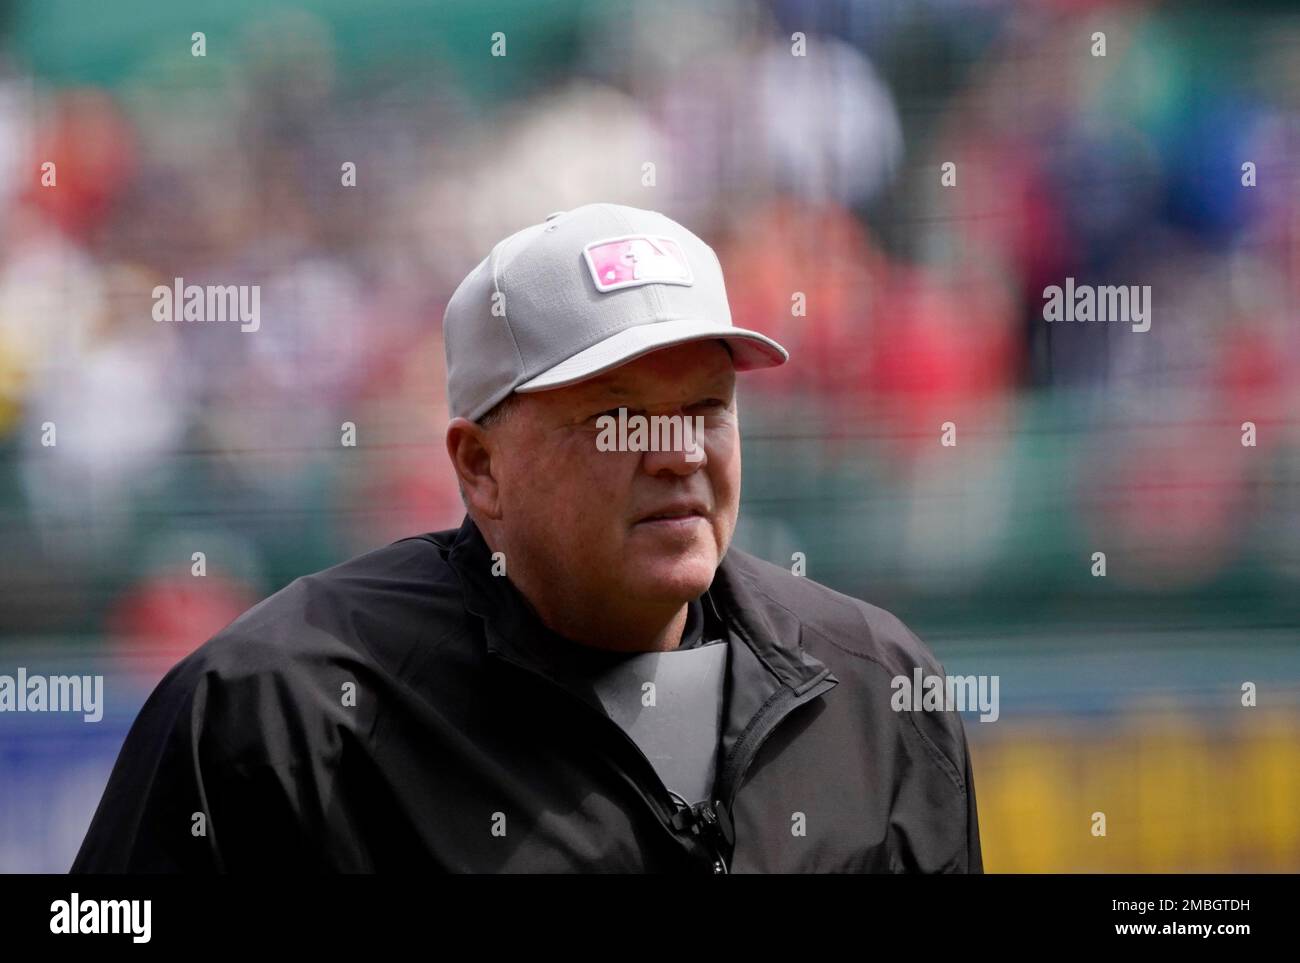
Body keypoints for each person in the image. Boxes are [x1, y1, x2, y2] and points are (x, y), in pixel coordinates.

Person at [71, 202, 983, 873]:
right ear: (479, 467)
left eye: (706, 409)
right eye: (616, 417)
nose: (676, 454)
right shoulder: (277, 712)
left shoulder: (878, 686)